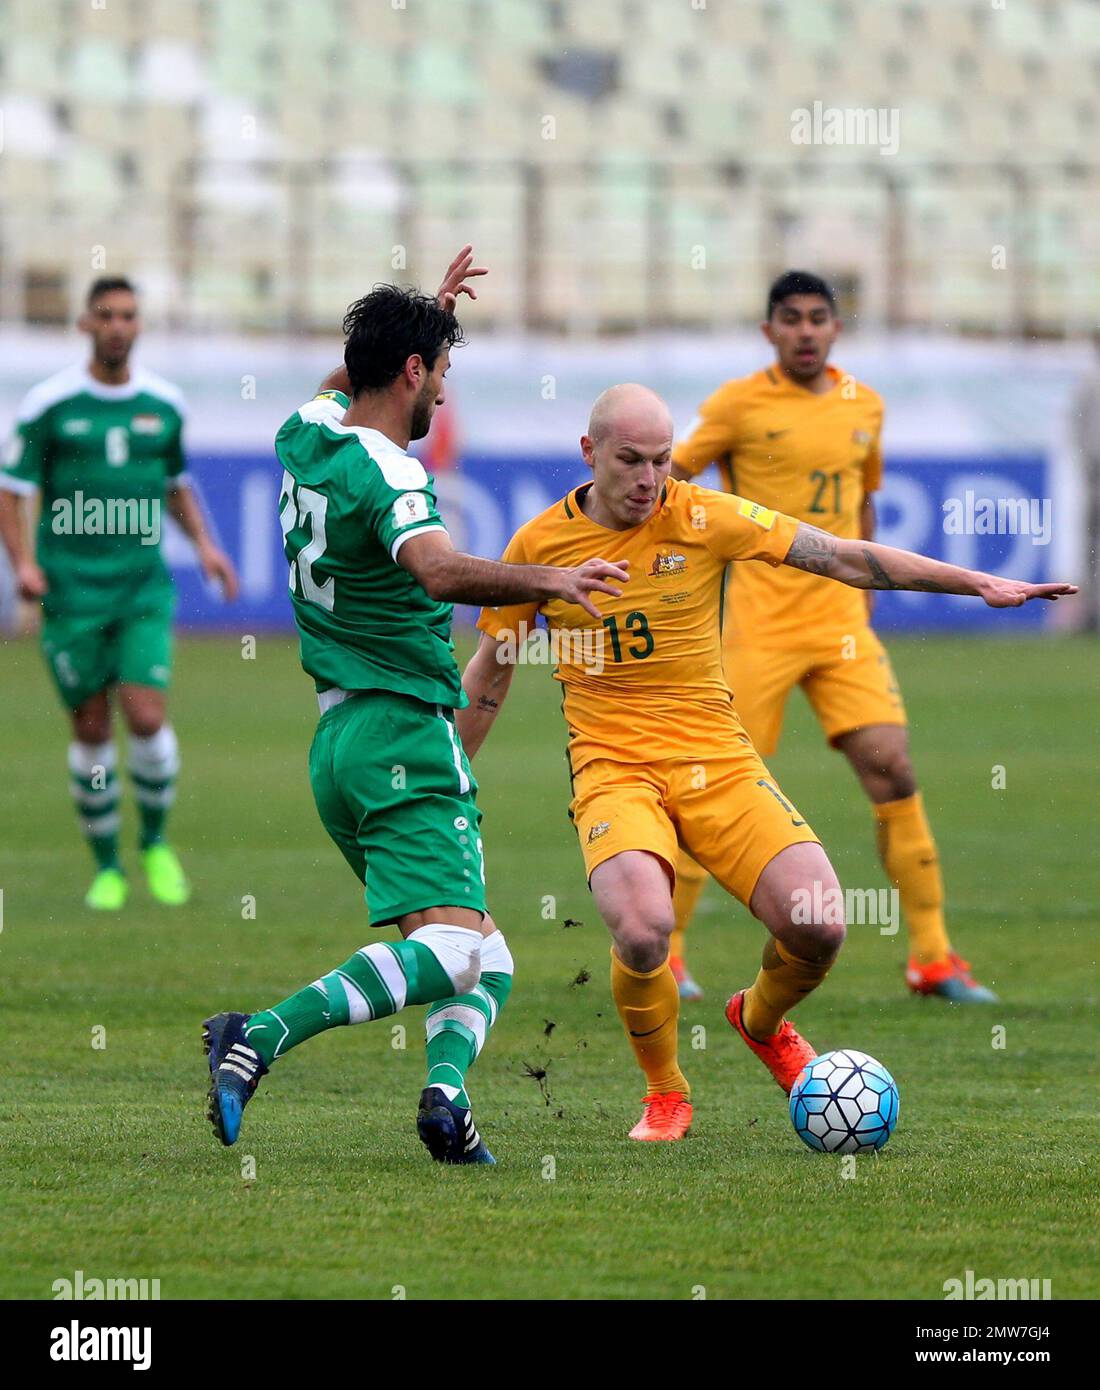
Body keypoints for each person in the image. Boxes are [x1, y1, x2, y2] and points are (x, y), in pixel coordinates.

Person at [458, 383, 1074, 1142]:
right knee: (645, 930)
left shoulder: (705, 516)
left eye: (662, 460)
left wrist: (977, 581)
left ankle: (758, 1021)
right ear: (590, 454)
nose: (650, 478)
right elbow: (493, 668)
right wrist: (449, 776)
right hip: (613, 768)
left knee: (819, 926)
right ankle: (666, 1094)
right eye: (631, 461)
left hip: (718, 760)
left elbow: (843, 556)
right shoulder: (538, 546)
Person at [200, 249, 628, 1165]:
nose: (443, 391)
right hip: (403, 730)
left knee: (489, 953)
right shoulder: (394, 472)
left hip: (339, 743)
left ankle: (445, 1101)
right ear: (413, 374)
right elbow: (435, 567)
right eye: (440, 370)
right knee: (456, 954)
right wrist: (550, 576)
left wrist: (422, 318)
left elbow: (343, 382)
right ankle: (259, 1036)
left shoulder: (304, 433)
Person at [668, 270, 996, 1004]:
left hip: (841, 626)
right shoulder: (737, 405)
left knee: (893, 770)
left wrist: (867, 600)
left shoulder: (865, 405)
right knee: (710, 786)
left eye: (819, 318)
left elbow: (862, 506)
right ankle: (673, 954)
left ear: (836, 328)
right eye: (792, 319)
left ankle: (933, 958)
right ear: (769, 332)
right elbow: (669, 488)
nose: (807, 330)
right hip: (757, 627)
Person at [0, 276, 237, 910]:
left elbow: (175, 483)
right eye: (104, 314)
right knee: (91, 729)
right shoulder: (51, 404)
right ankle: (107, 866)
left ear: (138, 326)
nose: (116, 325)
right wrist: (22, 563)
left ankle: (155, 845)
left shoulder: (163, 405)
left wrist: (207, 546)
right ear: (85, 325)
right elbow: (12, 489)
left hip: (140, 590)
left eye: (127, 315)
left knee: (147, 715)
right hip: (71, 594)